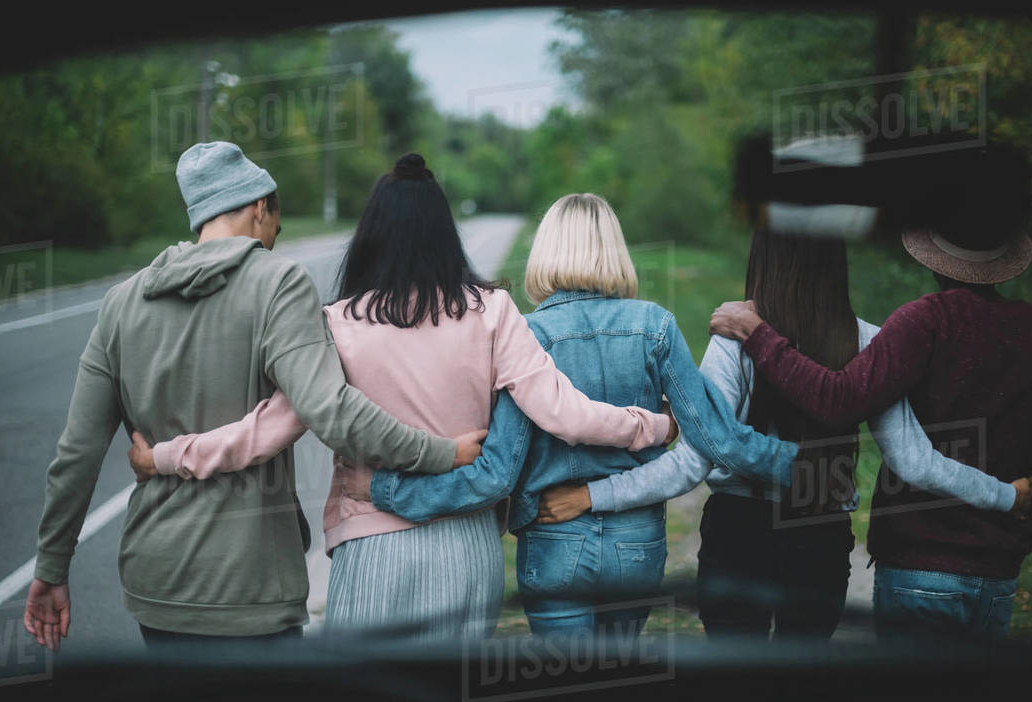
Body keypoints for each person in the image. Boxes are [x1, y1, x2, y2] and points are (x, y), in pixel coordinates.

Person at [128, 160, 676, 642]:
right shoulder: (493, 311)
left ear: (370, 237)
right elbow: (564, 412)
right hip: (468, 549)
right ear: (446, 235)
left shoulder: (336, 322)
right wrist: (652, 426)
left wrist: (168, 456)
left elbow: (268, 429)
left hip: (373, 543)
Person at [23, 142, 484, 653]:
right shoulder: (278, 283)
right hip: (252, 584)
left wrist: (51, 568)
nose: (272, 243)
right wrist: (441, 452)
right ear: (261, 206)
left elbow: (77, 453)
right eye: (275, 230)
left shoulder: (121, 303)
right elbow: (331, 409)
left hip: (157, 580)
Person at [537, 229, 1032, 641]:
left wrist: (590, 496)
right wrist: (1005, 495)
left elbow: (692, 460)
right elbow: (914, 461)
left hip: (737, 531)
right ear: (836, 266)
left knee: (736, 690)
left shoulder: (734, 341)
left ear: (763, 264)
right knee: (801, 688)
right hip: (820, 533)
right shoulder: (868, 341)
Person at [358, 193, 802, 642]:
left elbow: (497, 473)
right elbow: (719, 439)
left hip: (556, 540)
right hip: (636, 541)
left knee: (567, 683)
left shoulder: (525, 335)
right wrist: (806, 467)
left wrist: (390, 491)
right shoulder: (656, 326)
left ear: (545, 251)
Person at [708, 148, 1032, 640]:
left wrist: (758, 337)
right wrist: (1012, 529)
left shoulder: (922, 321)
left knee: (748, 672)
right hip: (986, 572)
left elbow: (835, 403)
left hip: (907, 565)